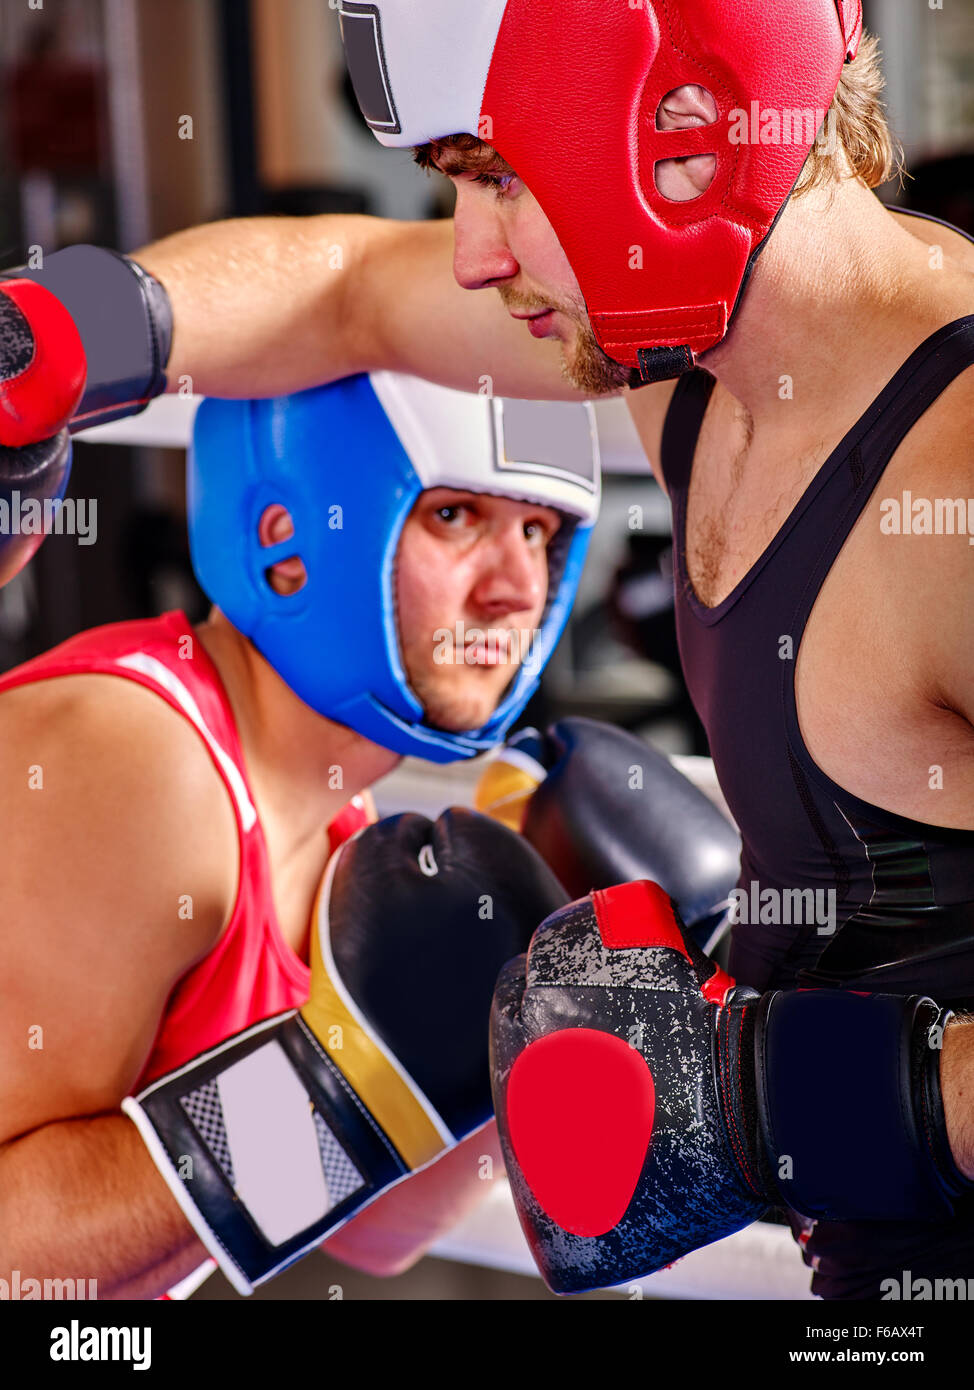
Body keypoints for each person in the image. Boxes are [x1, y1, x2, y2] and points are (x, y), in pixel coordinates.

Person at [3, 0, 972, 1299]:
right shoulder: (689, 369)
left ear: (677, 128)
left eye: (499, 177)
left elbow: (374, 1233)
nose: (468, 256)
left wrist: (783, 1101)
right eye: (453, 514)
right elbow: (347, 291)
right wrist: (57, 344)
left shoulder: (952, 474)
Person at [0, 370, 599, 1299]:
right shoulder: (141, 759)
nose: (519, 588)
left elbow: (373, 1236)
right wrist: (328, 1089)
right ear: (287, 538)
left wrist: (522, 1015)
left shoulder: (338, 826)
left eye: (538, 531)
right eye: (456, 517)